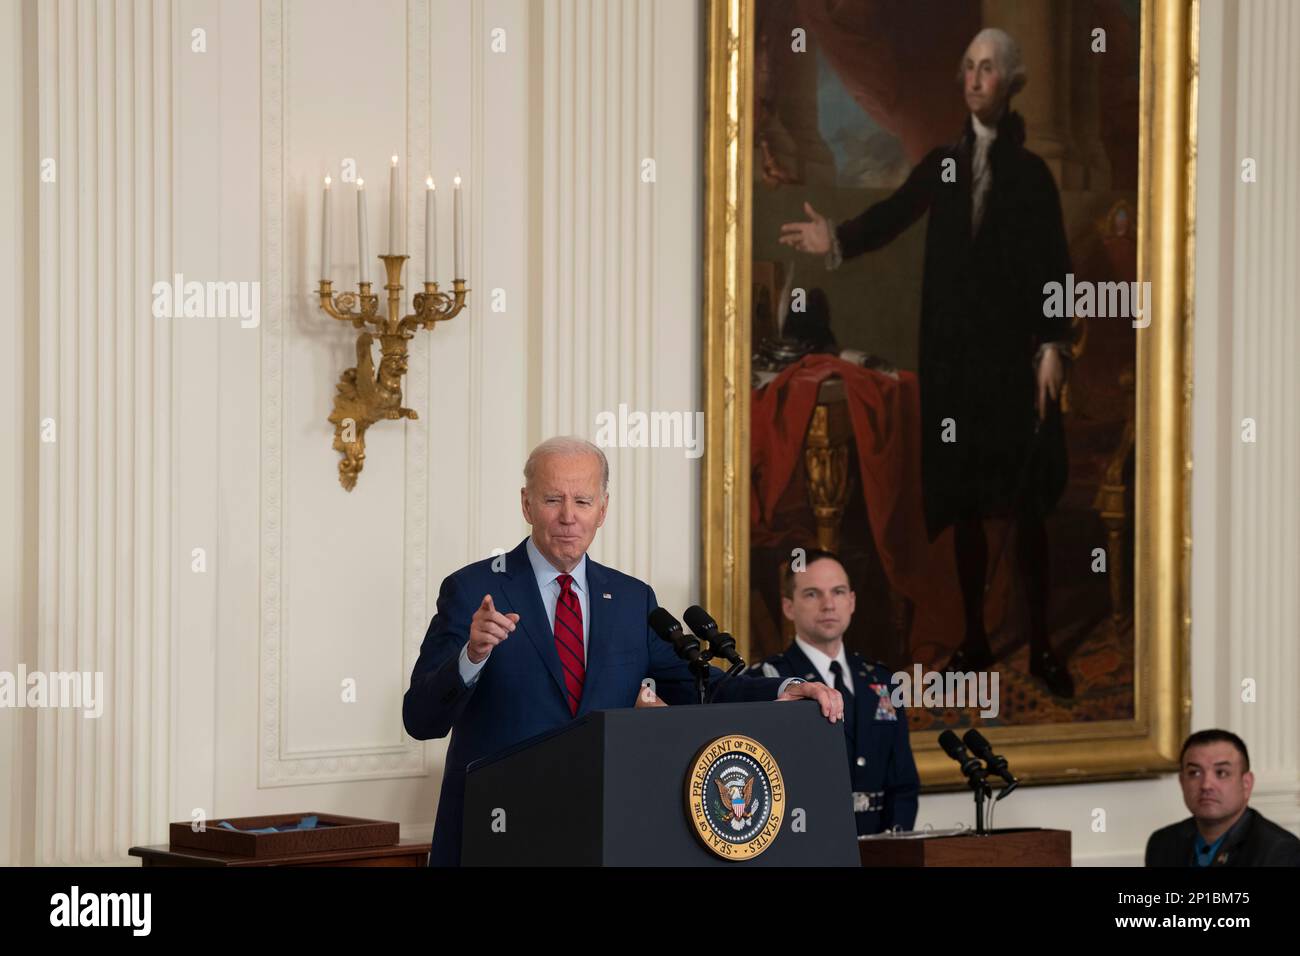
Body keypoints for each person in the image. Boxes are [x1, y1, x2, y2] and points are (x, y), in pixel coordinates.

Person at [779, 28, 1075, 698]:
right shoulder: (944, 164)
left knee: (1027, 507)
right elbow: (894, 213)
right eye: (968, 67)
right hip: (957, 368)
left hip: (1018, 365)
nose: (975, 79)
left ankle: (1046, 648)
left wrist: (1054, 346)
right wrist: (837, 238)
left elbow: (1056, 267)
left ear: (1011, 82)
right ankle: (973, 637)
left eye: (989, 69)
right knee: (966, 505)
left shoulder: (1032, 177)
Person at [403, 436, 844, 866]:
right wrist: (472, 656)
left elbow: (701, 685)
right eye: (553, 499)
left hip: (600, 835)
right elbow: (420, 719)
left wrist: (785, 690)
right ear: (526, 504)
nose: (568, 517)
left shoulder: (632, 600)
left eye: (583, 501)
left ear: (603, 509)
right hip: (498, 835)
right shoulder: (473, 589)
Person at [748, 550, 919, 835]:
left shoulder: (881, 679)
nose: (829, 605)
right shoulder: (770, 680)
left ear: (851, 602)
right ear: (788, 607)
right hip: (808, 845)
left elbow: (903, 784)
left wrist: (893, 848)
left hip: (881, 848)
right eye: (813, 594)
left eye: (838, 592)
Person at [1145, 729, 1300, 867]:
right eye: (1195, 773)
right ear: (1182, 782)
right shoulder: (1162, 844)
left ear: (1246, 783)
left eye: (1221, 773)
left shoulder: (1279, 851)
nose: (1206, 785)